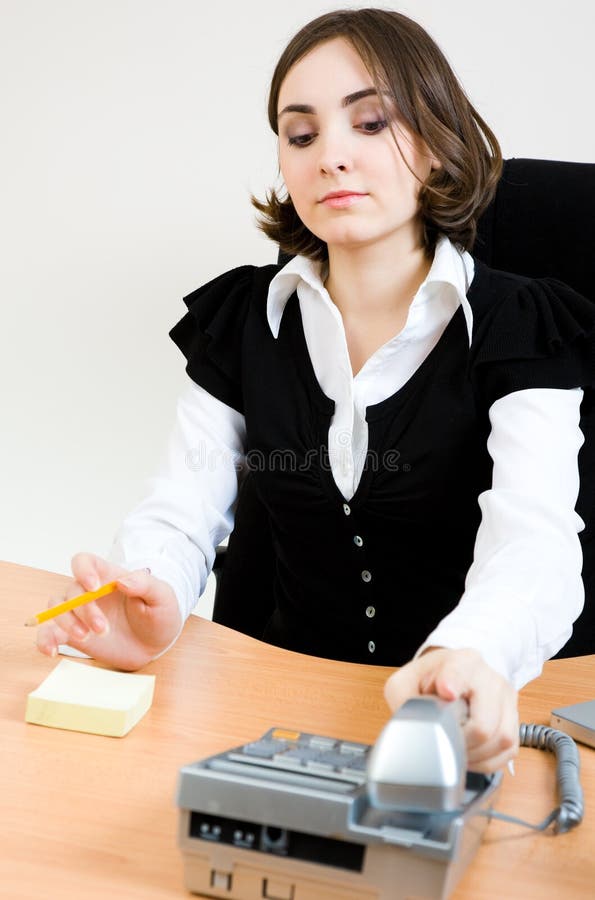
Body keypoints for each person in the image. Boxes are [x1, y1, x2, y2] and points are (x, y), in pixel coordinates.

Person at [36, 8, 593, 775]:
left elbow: (535, 540)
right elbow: (181, 506)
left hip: (458, 716)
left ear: (434, 146)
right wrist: (152, 597)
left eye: (369, 124)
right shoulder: (244, 318)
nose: (330, 156)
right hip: (279, 709)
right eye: (301, 136)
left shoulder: (522, 323)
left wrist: (470, 656)